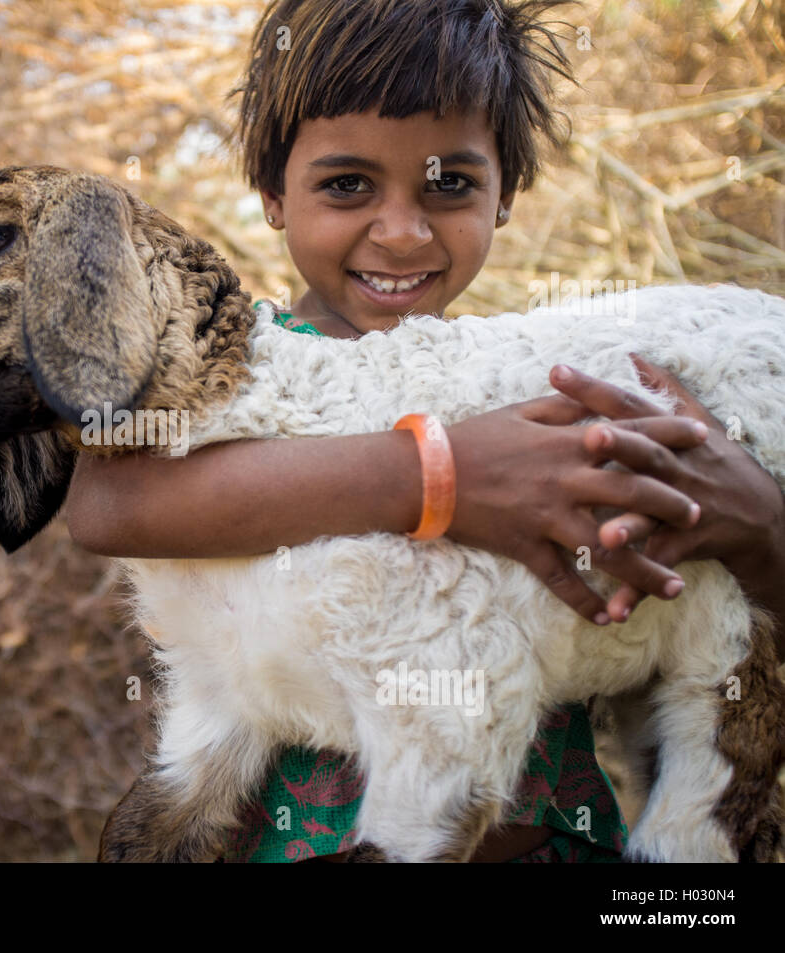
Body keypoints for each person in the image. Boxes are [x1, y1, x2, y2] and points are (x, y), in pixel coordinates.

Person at [66, 0, 785, 861]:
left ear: (505, 195)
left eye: (450, 185)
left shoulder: (547, 381)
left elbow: (717, 618)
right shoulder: (242, 370)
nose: (402, 232)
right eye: (346, 185)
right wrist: (442, 478)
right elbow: (109, 504)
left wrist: (765, 529)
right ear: (271, 194)